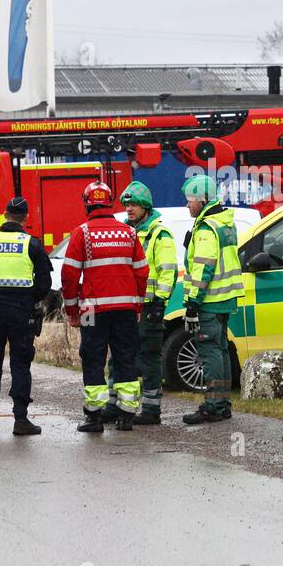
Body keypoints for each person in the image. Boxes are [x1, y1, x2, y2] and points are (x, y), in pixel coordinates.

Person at [61, 181, 148, 433]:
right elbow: (142, 272)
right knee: (126, 358)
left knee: (93, 359)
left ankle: (94, 417)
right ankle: (127, 416)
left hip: (91, 311)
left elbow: (69, 276)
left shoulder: (82, 233)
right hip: (125, 309)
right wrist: (138, 305)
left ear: (86, 203)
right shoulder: (129, 233)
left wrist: (72, 310)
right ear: (110, 202)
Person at [0, 197, 51, 436]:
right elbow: (44, 283)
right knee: (20, 364)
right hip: (21, 313)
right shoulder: (31, 244)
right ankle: (20, 420)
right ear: (25, 218)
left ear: (4, 215)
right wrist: (28, 298)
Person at [179, 174, 243, 424]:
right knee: (221, 350)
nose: (187, 205)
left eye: (190, 200)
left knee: (209, 352)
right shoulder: (224, 222)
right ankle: (223, 403)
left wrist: (193, 303)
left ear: (203, 199)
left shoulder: (206, 228)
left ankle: (214, 405)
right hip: (224, 299)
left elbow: (204, 267)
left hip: (209, 300)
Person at [116, 181, 176, 425]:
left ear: (146, 207)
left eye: (134, 205)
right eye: (127, 204)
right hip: (127, 306)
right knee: (122, 357)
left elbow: (167, 270)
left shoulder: (159, 234)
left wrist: (160, 303)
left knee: (149, 358)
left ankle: (151, 410)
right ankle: (118, 406)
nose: (129, 209)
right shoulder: (124, 232)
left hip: (149, 306)